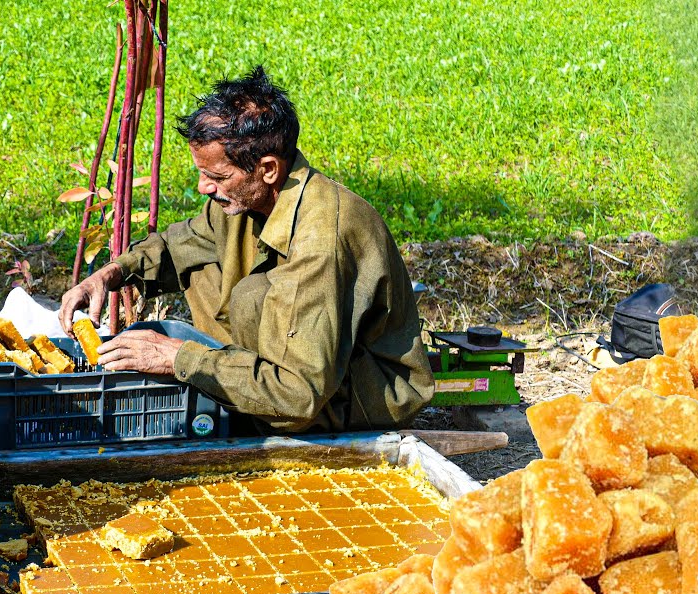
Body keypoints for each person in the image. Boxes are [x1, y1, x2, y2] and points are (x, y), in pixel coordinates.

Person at [59, 67, 434, 434]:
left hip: (360, 395)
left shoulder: (320, 241)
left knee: (250, 297)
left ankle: (242, 404)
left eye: (218, 177)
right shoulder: (244, 199)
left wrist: (178, 357)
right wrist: (110, 274)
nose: (204, 187)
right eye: (202, 174)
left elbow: (298, 394)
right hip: (301, 372)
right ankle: (236, 390)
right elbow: (178, 246)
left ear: (268, 169)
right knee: (199, 263)